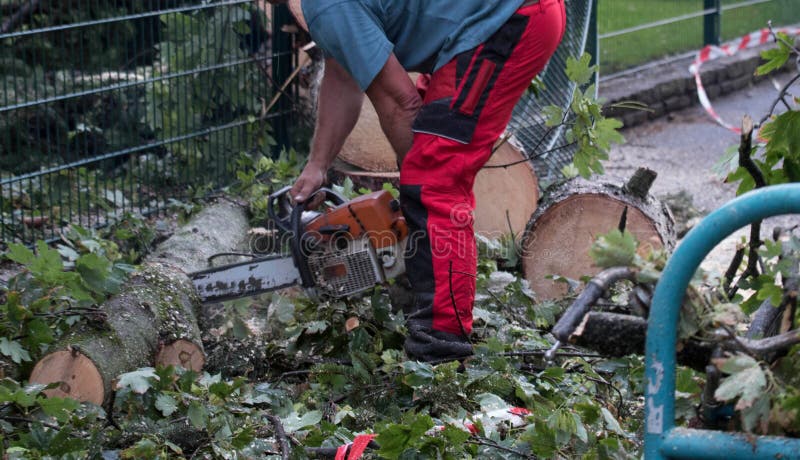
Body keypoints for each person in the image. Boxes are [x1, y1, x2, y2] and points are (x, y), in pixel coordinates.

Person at [269, 0, 566, 362]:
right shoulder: (330, 10)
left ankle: (440, 348)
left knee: (434, 181)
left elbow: (400, 103)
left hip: (507, 20)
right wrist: (317, 165)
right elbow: (343, 75)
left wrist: (417, 199)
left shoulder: (325, 6)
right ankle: (429, 291)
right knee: (428, 176)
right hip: (487, 26)